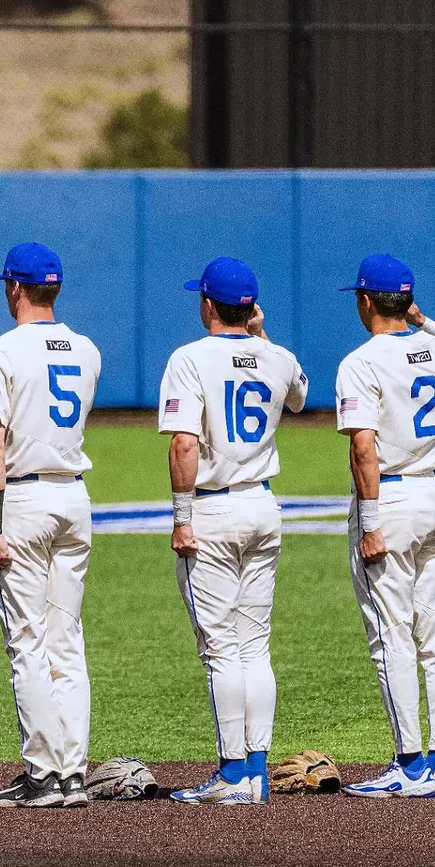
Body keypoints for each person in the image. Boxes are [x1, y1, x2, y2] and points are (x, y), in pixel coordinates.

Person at [333, 253, 435, 798]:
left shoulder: (361, 361)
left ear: (366, 301)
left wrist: (370, 523)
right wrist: (428, 324)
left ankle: (409, 764)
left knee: (392, 636)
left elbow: (362, 447)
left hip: (392, 503)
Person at [156, 257, 308, 806]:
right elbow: (300, 395)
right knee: (253, 648)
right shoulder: (279, 356)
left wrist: (181, 516)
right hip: (263, 506)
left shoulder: (189, 358)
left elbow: (183, 444)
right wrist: (262, 336)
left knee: (221, 649)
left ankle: (231, 775)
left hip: (215, 511)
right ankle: (257, 772)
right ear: (250, 307)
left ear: (207, 304)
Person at [0, 242, 102, 808]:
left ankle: (43, 775)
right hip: (74, 498)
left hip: (23, 502)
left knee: (27, 642)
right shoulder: (87, 349)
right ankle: (73, 772)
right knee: (65, 642)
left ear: (15, 288)